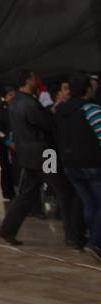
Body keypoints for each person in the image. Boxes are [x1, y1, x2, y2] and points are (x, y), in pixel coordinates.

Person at [0, 69, 81, 248]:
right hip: (45, 154)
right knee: (65, 192)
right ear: (28, 80)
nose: (37, 80)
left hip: (28, 155)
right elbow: (45, 124)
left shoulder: (15, 102)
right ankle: (73, 236)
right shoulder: (29, 103)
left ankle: (8, 228)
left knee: (27, 193)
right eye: (34, 77)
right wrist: (54, 113)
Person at [56, 72, 101, 262]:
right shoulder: (91, 109)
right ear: (87, 89)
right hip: (92, 164)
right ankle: (96, 242)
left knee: (90, 204)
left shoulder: (60, 111)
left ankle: (93, 240)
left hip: (70, 165)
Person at [0, 87, 18, 201]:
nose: (12, 97)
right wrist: (8, 142)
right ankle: (8, 193)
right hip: (4, 145)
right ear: (5, 97)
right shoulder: (0, 111)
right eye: (10, 95)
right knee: (5, 167)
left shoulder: (17, 109)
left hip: (18, 144)